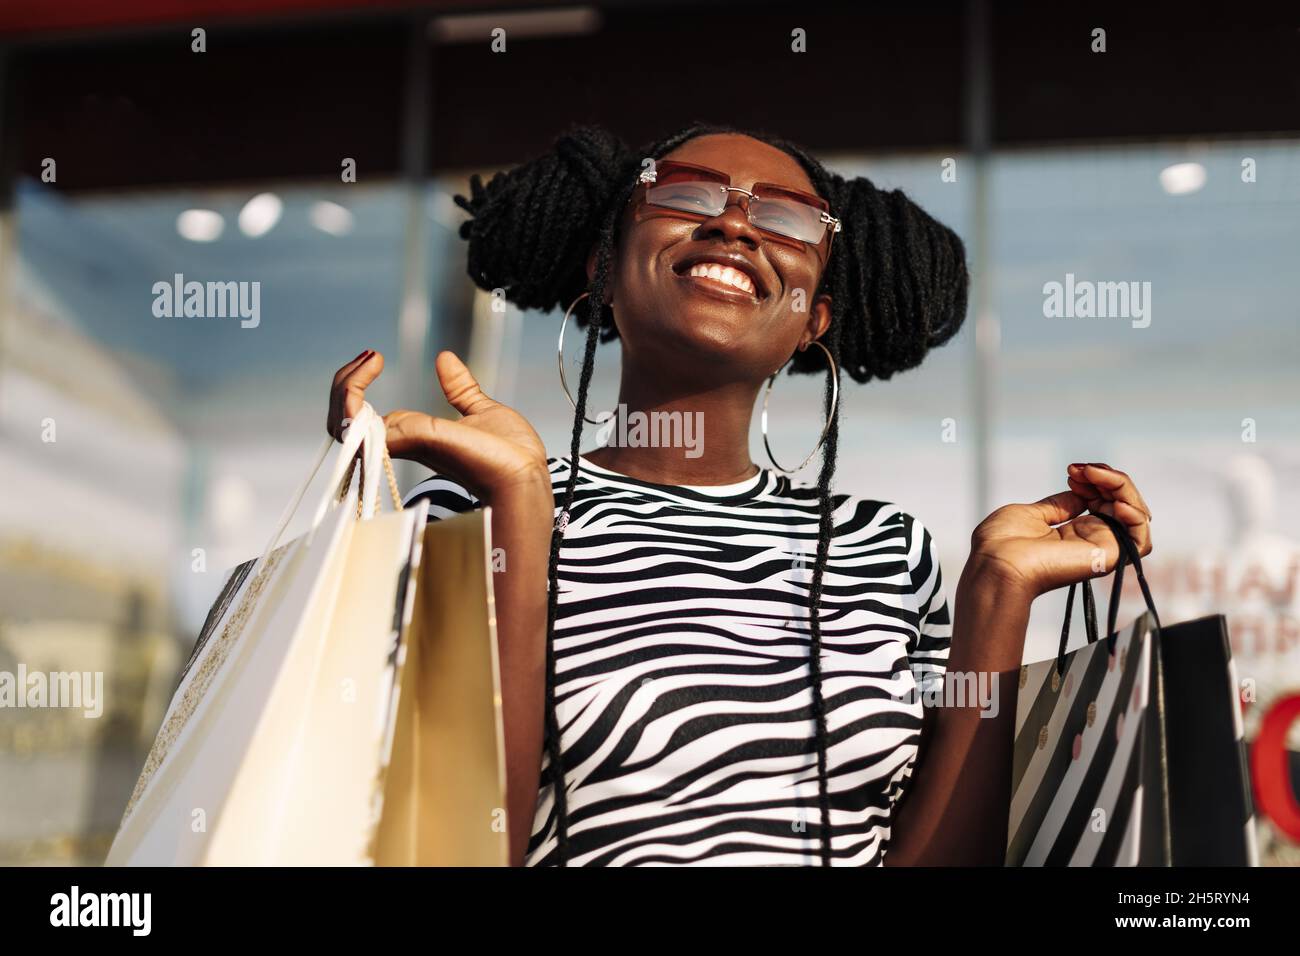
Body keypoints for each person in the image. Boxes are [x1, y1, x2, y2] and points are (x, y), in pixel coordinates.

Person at [325, 123, 1153, 867]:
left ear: (812, 321)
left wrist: (998, 593)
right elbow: (454, 845)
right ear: (602, 271)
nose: (733, 224)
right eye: (686, 195)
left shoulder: (886, 549)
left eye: (786, 217)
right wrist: (520, 508)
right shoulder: (465, 513)